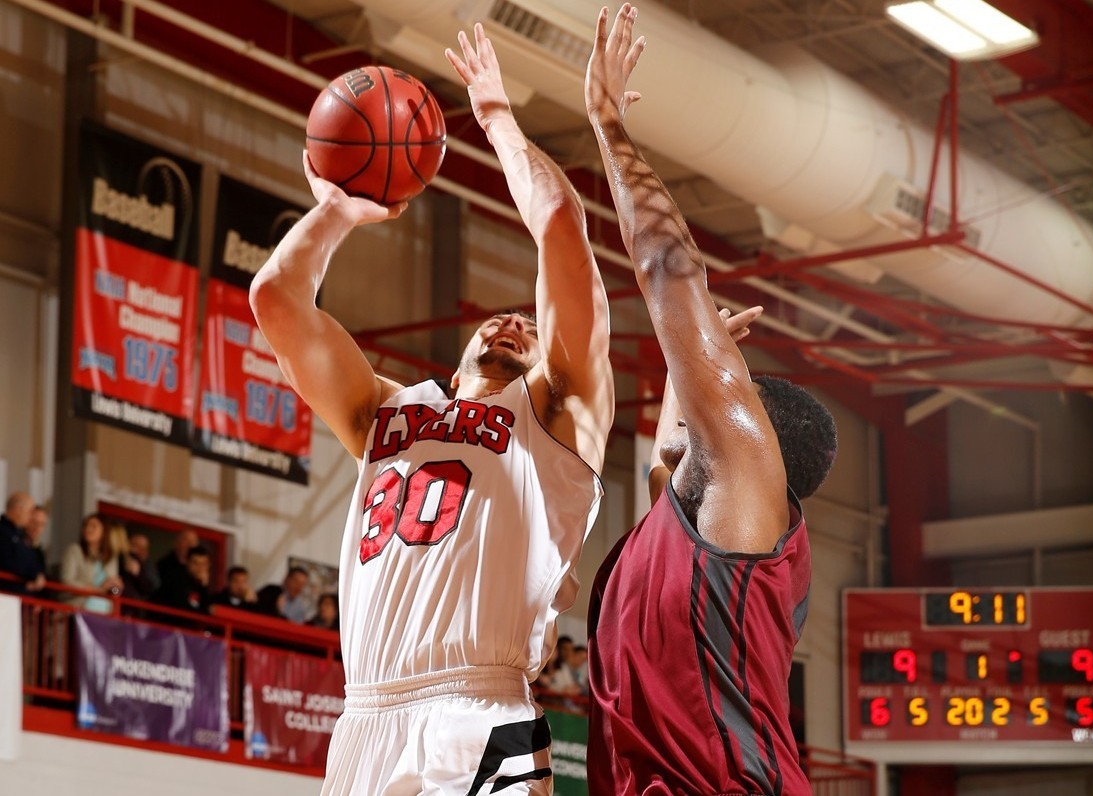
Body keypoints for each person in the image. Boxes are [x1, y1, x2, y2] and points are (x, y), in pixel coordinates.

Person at [248, 20, 613, 794]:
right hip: (366, 715)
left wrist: (497, 120)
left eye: (528, 326)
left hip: (478, 707)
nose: (515, 323)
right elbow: (275, 299)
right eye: (497, 317)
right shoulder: (385, 413)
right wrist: (341, 209)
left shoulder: (558, 411)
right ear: (458, 348)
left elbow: (560, 231)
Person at [583, 6, 838, 794]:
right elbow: (669, 459)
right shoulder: (698, 527)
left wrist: (606, 128)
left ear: (752, 442)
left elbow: (666, 266)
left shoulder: (744, 493)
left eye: (724, 398)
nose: (705, 395)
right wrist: (690, 364)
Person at [61, 513, 123, 614]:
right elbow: (67, 582)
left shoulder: (111, 558)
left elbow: (115, 592)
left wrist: (117, 587)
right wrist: (99, 590)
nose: (88, 529)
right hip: (77, 609)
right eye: (86, 525)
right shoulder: (75, 550)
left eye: (93, 526)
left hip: (104, 614)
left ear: (104, 531)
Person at [0, 492, 46, 595]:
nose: (30, 517)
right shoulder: (3, 532)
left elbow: (32, 561)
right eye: (30, 512)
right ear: (18, 509)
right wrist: (33, 575)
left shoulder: (20, 535)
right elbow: (11, 562)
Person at [151, 545, 211, 615]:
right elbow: (188, 611)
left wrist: (204, 587)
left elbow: (206, 611)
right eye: (195, 563)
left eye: (204, 564)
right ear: (187, 562)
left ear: (209, 565)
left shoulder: (202, 584)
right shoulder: (177, 579)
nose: (200, 568)